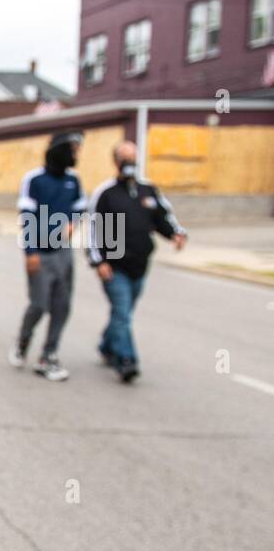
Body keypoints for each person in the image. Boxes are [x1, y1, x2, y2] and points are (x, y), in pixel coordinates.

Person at [87, 141, 187, 383]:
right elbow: (94, 229)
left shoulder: (148, 191)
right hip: (115, 267)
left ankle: (106, 345)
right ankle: (126, 361)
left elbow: (164, 217)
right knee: (122, 313)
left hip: (140, 266)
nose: (129, 162)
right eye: (124, 157)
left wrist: (176, 233)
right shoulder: (106, 193)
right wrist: (98, 260)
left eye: (132, 157)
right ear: (116, 161)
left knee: (123, 314)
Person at [10, 130, 86, 381]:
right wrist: (30, 252)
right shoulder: (34, 179)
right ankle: (23, 340)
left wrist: (73, 224)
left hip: (63, 251)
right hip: (39, 252)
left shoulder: (73, 180)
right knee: (39, 305)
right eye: (73, 150)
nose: (76, 155)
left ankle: (48, 355)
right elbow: (27, 218)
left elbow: (79, 208)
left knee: (62, 306)